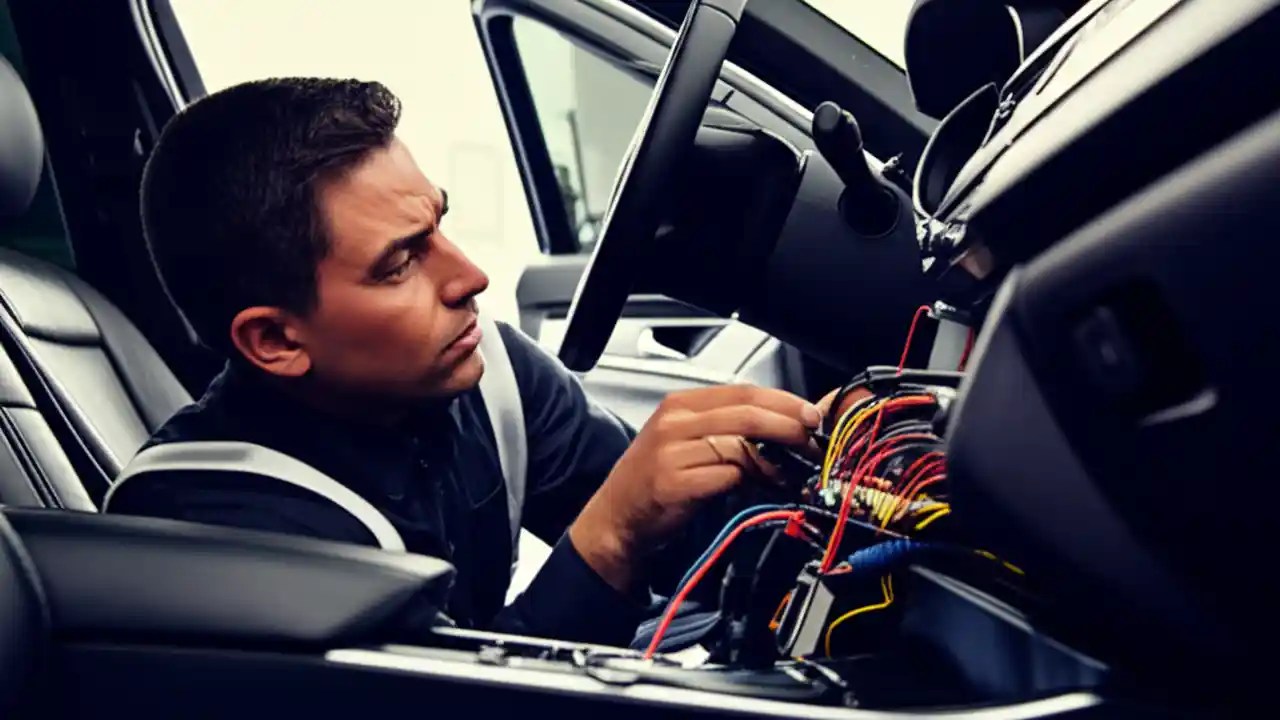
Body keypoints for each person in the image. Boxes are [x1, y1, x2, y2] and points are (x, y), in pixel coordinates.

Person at [107, 77, 828, 646]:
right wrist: (612, 536)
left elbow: (712, 551)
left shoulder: (491, 377)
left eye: (439, 225)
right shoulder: (215, 528)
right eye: (400, 263)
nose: (471, 277)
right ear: (276, 342)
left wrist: (841, 490)